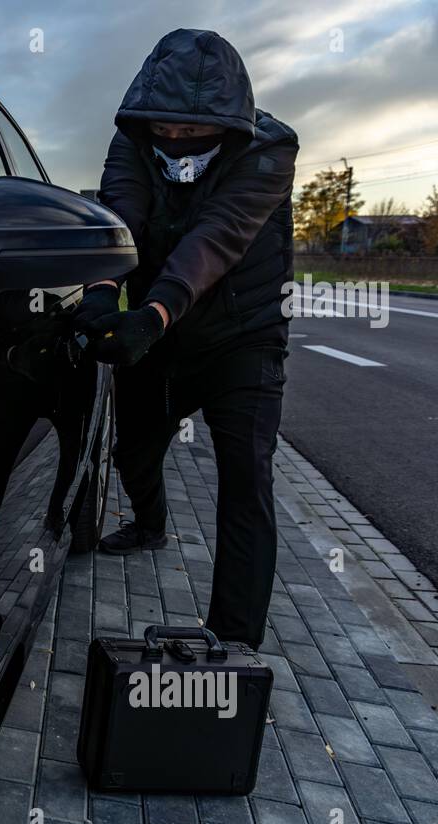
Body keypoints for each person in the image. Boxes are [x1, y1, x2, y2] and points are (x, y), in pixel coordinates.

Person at [72, 28, 299, 649]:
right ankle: (150, 524)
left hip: (242, 336)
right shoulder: (132, 140)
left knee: (246, 479)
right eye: (163, 130)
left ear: (226, 124)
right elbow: (119, 218)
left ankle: (233, 643)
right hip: (160, 331)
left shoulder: (269, 150)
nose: (172, 142)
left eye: (190, 133)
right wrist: (99, 290)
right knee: (134, 450)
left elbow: (217, 237)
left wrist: (155, 312)